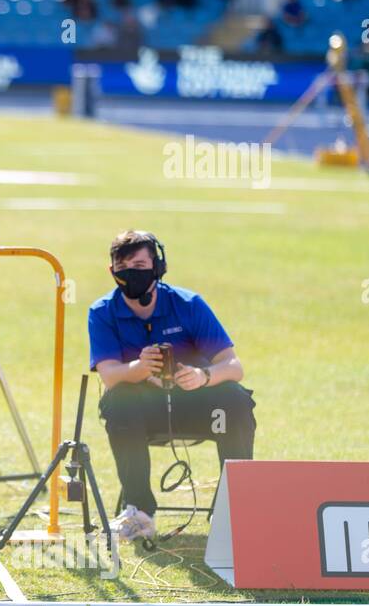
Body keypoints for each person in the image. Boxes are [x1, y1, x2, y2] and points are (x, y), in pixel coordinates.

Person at [87, 231, 256, 541]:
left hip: (195, 404)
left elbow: (234, 367)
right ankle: (138, 512)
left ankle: (232, 510)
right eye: (122, 265)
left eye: (139, 264)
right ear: (111, 271)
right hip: (142, 412)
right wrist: (140, 368)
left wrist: (202, 376)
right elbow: (109, 376)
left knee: (236, 401)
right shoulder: (102, 311)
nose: (130, 272)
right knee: (118, 399)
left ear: (157, 267)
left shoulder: (188, 304)